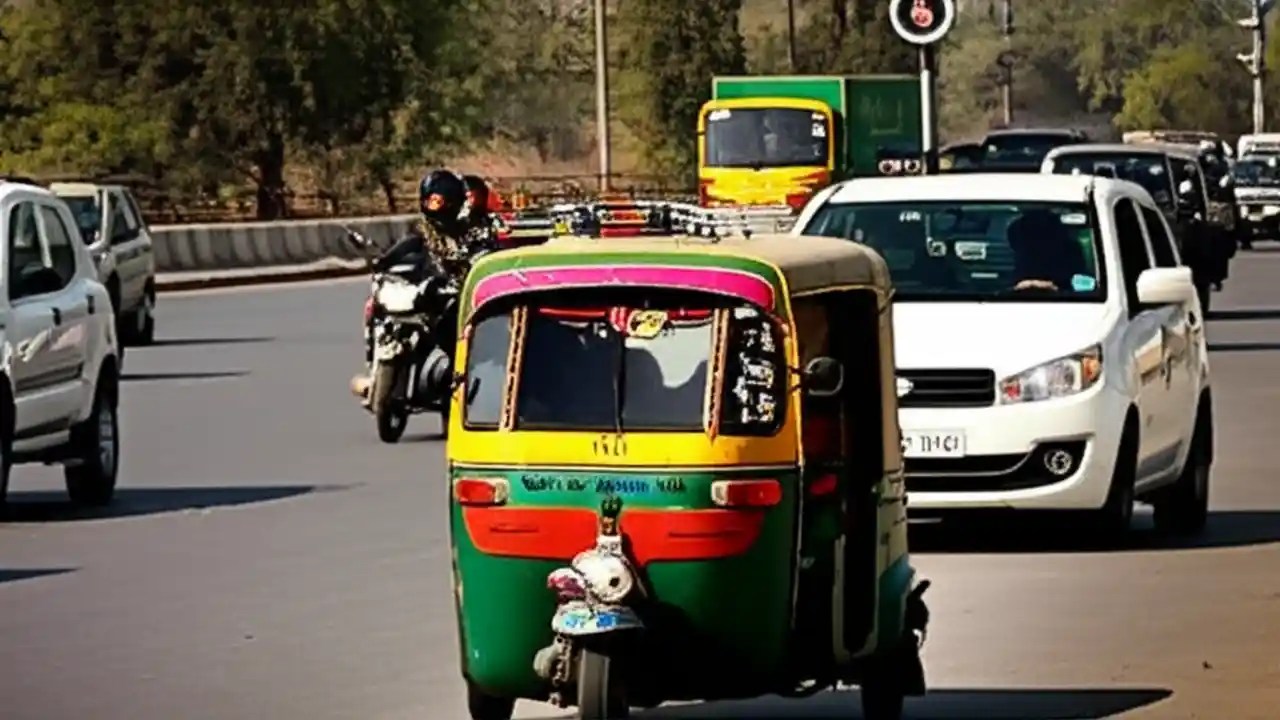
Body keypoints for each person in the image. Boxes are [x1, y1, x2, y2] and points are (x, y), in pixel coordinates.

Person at [350, 170, 469, 403]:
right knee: (374, 306)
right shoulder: (421, 233)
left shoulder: (465, 234)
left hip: (446, 299)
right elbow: (405, 248)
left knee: (455, 330)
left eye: (439, 201)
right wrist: (383, 262)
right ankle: (372, 364)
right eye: (430, 201)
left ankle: (457, 378)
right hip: (419, 293)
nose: (433, 206)